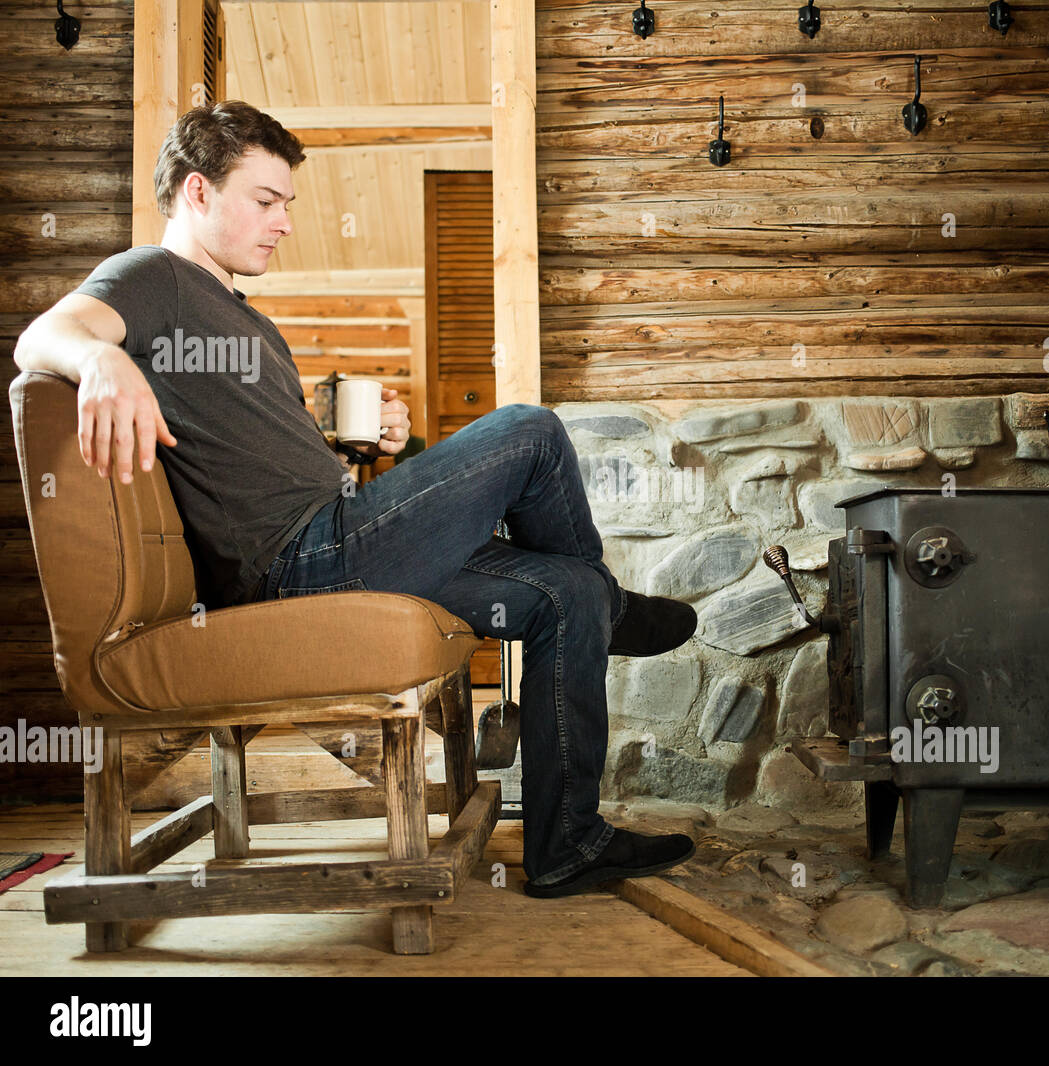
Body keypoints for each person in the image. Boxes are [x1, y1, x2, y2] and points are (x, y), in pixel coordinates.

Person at [13, 100, 698, 898]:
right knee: (531, 432)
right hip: (305, 560)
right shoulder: (152, 278)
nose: (284, 223)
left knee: (566, 593)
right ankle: (618, 608)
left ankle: (567, 844)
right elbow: (43, 336)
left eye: (289, 205)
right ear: (197, 193)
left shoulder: (247, 322)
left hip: (333, 536)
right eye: (265, 201)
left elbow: (264, 465)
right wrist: (101, 363)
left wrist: (362, 449)